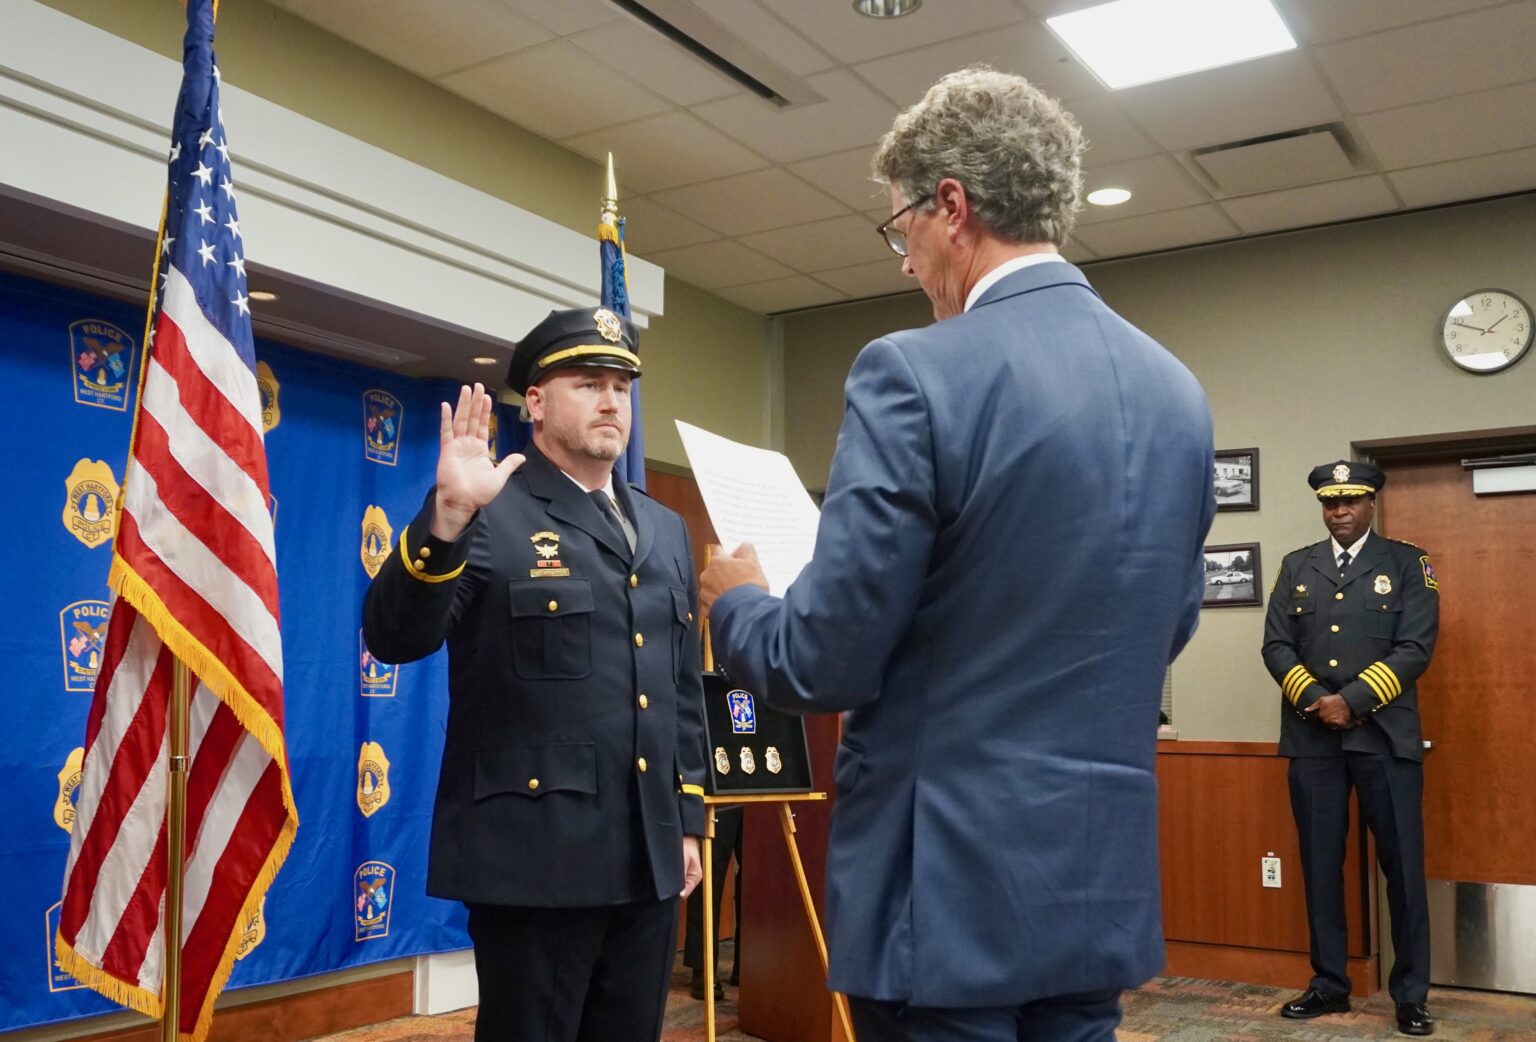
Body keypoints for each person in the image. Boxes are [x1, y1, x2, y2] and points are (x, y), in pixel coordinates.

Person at [698, 67, 1215, 1042]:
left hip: (943, 894)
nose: (905, 261)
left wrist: (740, 603)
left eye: (902, 228)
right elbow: (1168, 622)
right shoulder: (1176, 391)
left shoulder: (915, 372)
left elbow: (824, 661)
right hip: (1094, 880)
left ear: (952, 206)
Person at [363, 307, 708, 1042]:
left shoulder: (665, 527)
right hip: (536, 855)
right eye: (589, 384)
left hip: (647, 854)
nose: (612, 401)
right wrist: (448, 517)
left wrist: (686, 821)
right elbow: (393, 637)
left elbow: (680, 690)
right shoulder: (490, 508)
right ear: (538, 402)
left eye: (621, 386)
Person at [1262, 460, 1438, 1037]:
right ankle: (1329, 984)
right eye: (1330, 503)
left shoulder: (1407, 563)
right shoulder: (1297, 565)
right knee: (1320, 864)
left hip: (1385, 737)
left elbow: (1415, 647)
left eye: (1351, 501)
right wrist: (1318, 699)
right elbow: (1277, 646)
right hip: (1313, 737)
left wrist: (1353, 700)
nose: (1339, 511)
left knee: (1403, 869)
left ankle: (1410, 995)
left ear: (1371, 504)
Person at [683, 803, 743, 1000]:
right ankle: (703, 966)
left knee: (758, 871)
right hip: (719, 792)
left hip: (765, 794)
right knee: (710, 871)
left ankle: (749, 962)